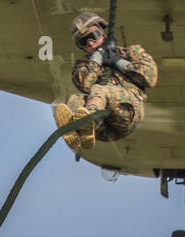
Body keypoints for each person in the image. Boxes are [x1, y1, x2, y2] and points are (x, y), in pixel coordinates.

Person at [54, 12, 158, 152]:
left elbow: (150, 77)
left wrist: (118, 61)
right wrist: (97, 57)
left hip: (129, 111)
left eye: (93, 36)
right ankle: (79, 132)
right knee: (74, 100)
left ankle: (88, 121)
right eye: (84, 42)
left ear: (102, 33)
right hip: (104, 129)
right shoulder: (84, 65)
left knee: (99, 90)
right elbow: (84, 84)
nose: (90, 43)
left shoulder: (131, 52)